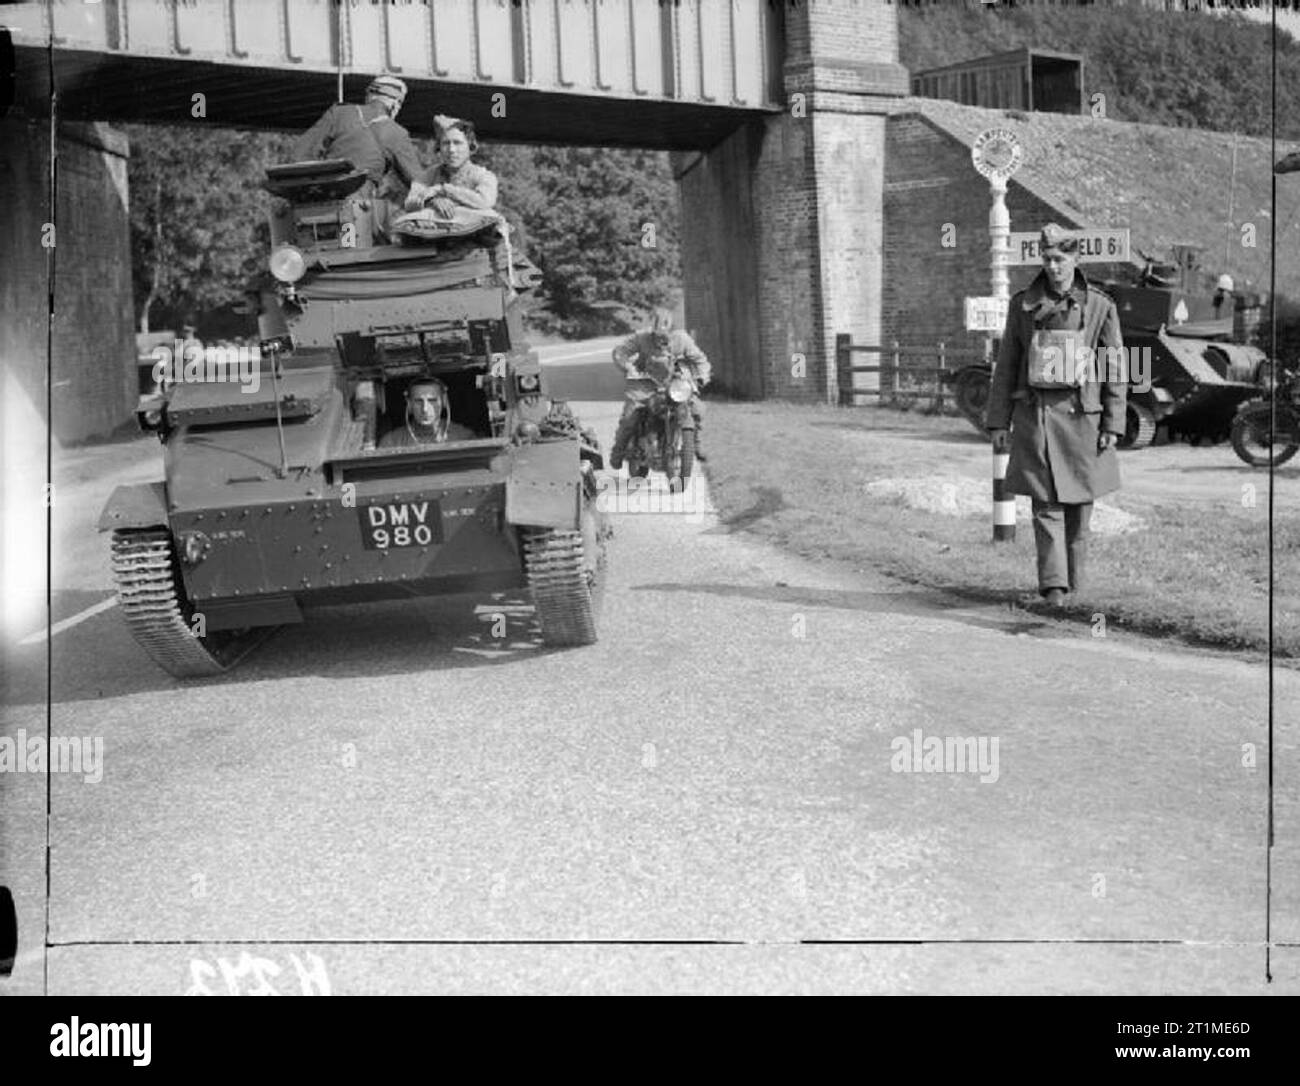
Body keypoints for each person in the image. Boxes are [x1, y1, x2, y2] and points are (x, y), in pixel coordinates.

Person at [984, 223, 1127, 607]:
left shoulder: (1099, 305)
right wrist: (999, 421)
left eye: (1059, 259)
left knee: (1080, 505)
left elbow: (1114, 365)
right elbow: (1007, 363)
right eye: (1046, 259)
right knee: (1045, 502)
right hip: (1037, 416)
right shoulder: (1022, 305)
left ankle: (1076, 584)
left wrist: (1114, 422)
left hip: (1084, 418)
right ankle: (1053, 588)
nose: (1052, 267)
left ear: (1075, 259)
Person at [285, 75, 423, 243]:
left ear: (369, 97)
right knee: (350, 252)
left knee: (311, 252)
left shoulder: (339, 113)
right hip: (355, 215)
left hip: (313, 210)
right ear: (394, 104)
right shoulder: (396, 133)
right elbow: (419, 182)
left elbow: (300, 154)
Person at [608, 309, 710, 469]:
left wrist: (702, 376)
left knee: (697, 410)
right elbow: (620, 352)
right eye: (657, 335)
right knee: (630, 417)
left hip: (674, 385)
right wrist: (627, 366)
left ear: (672, 331)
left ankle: (695, 446)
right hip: (645, 384)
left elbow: (700, 360)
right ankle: (618, 452)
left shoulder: (682, 339)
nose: (661, 339)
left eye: (664, 335)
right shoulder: (641, 338)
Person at [405, 115, 498, 215]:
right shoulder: (429, 175)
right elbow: (409, 203)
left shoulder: (483, 176)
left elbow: (485, 201)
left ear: (470, 146)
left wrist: (443, 190)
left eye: (457, 143)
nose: (451, 150)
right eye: (446, 143)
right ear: (439, 147)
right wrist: (431, 201)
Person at [379, 379, 477, 448]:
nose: (425, 409)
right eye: (418, 401)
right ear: (409, 405)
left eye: (432, 400)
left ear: (444, 402)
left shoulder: (464, 438)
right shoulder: (392, 442)